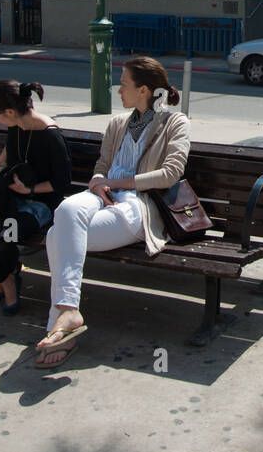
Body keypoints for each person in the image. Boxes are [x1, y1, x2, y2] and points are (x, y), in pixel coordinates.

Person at [35, 56, 191, 369]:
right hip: (102, 195)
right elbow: (102, 166)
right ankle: (68, 314)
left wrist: (115, 182)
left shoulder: (175, 123)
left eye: (123, 84)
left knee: (56, 236)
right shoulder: (118, 123)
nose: (118, 90)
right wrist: (97, 182)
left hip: (139, 206)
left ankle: (61, 323)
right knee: (66, 209)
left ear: (144, 90)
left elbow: (170, 173)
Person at [0, 80, 72, 316]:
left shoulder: (50, 136)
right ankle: (8, 278)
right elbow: (9, 152)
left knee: (4, 238)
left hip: (37, 203)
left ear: (9, 112)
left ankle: (6, 282)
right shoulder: (15, 125)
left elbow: (62, 184)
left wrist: (28, 191)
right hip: (5, 197)